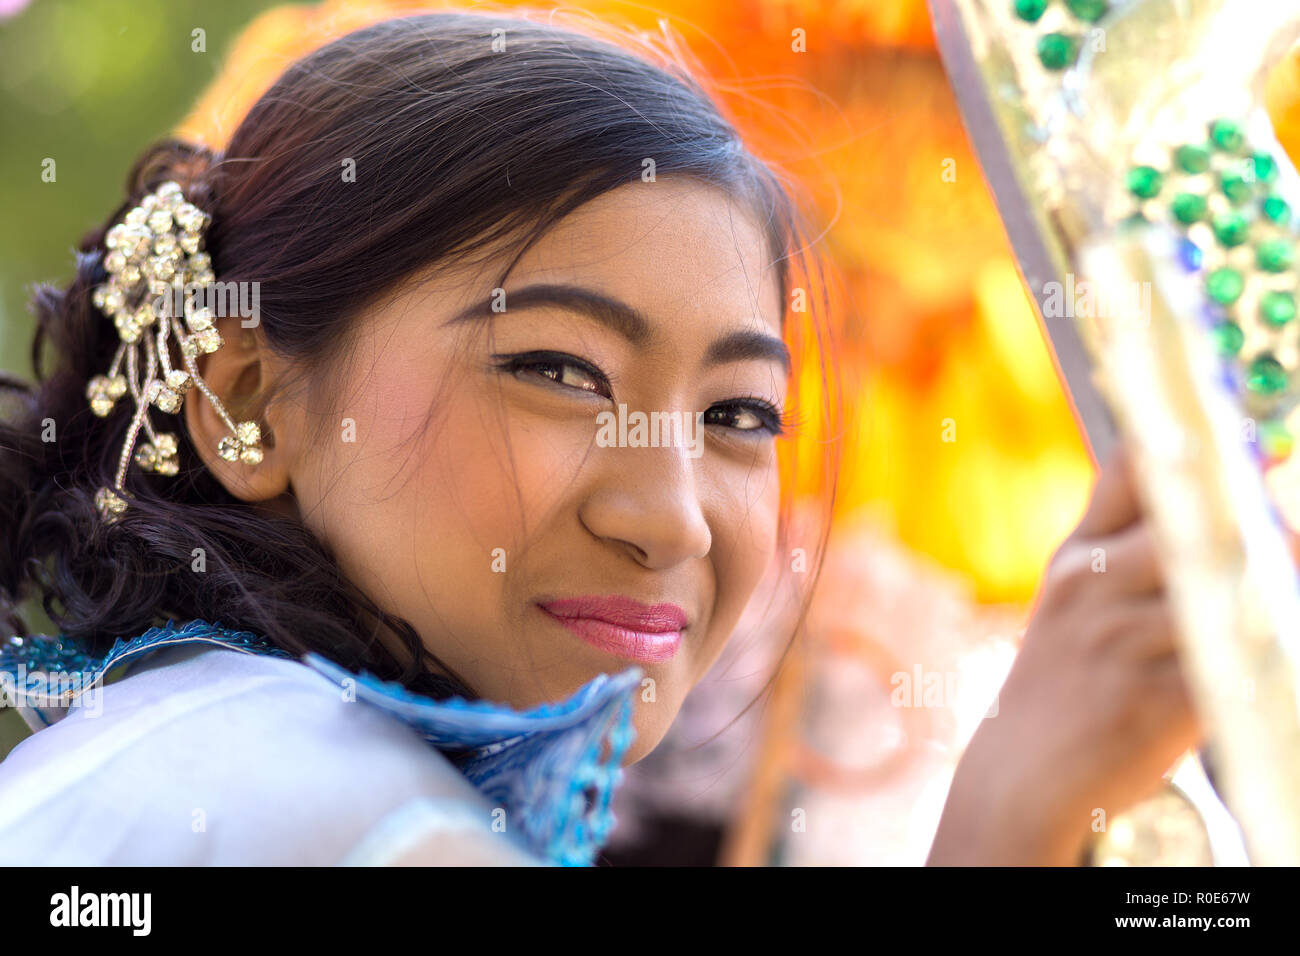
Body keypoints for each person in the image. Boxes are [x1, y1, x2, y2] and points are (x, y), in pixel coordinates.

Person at [0, 9, 1199, 865]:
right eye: (559, 371)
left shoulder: (180, 743)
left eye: (738, 414)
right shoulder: (335, 806)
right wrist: (1008, 821)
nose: (672, 514)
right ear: (244, 402)